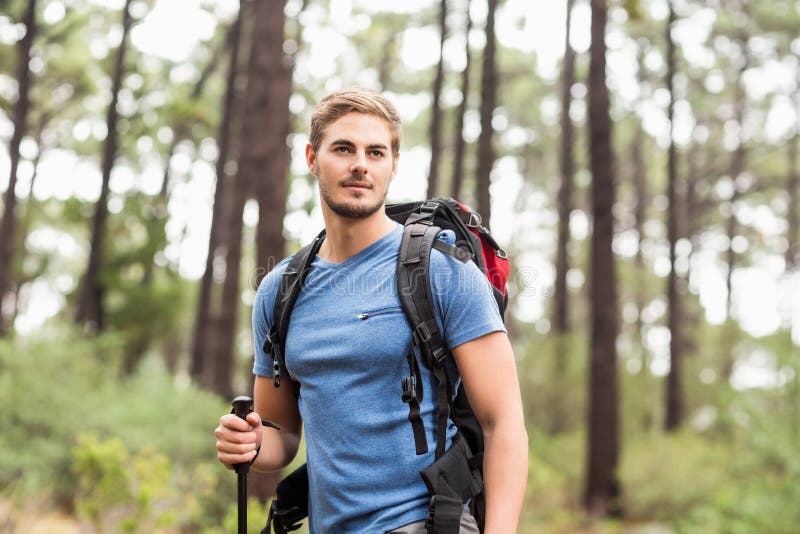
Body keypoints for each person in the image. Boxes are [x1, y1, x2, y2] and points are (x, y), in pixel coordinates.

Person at [215, 87, 527, 533]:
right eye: (343, 148)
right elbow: (280, 435)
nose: (360, 163)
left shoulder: (443, 274)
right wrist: (245, 444)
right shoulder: (279, 289)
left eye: (375, 152)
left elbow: (504, 424)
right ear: (311, 157)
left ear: (392, 166)